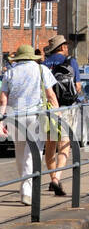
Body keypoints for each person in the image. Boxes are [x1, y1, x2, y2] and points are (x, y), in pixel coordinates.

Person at [0, 44, 58, 204]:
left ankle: (25, 185)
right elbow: (50, 94)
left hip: (15, 117)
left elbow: (3, 98)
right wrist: (57, 113)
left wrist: (1, 119)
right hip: (35, 116)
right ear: (32, 57)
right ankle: (26, 190)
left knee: (20, 152)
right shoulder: (42, 70)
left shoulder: (10, 72)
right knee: (32, 153)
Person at [42, 35, 81, 194]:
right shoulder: (71, 61)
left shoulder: (44, 64)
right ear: (62, 47)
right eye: (66, 45)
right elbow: (77, 86)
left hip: (49, 108)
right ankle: (57, 178)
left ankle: (52, 179)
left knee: (50, 145)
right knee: (64, 144)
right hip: (67, 108)